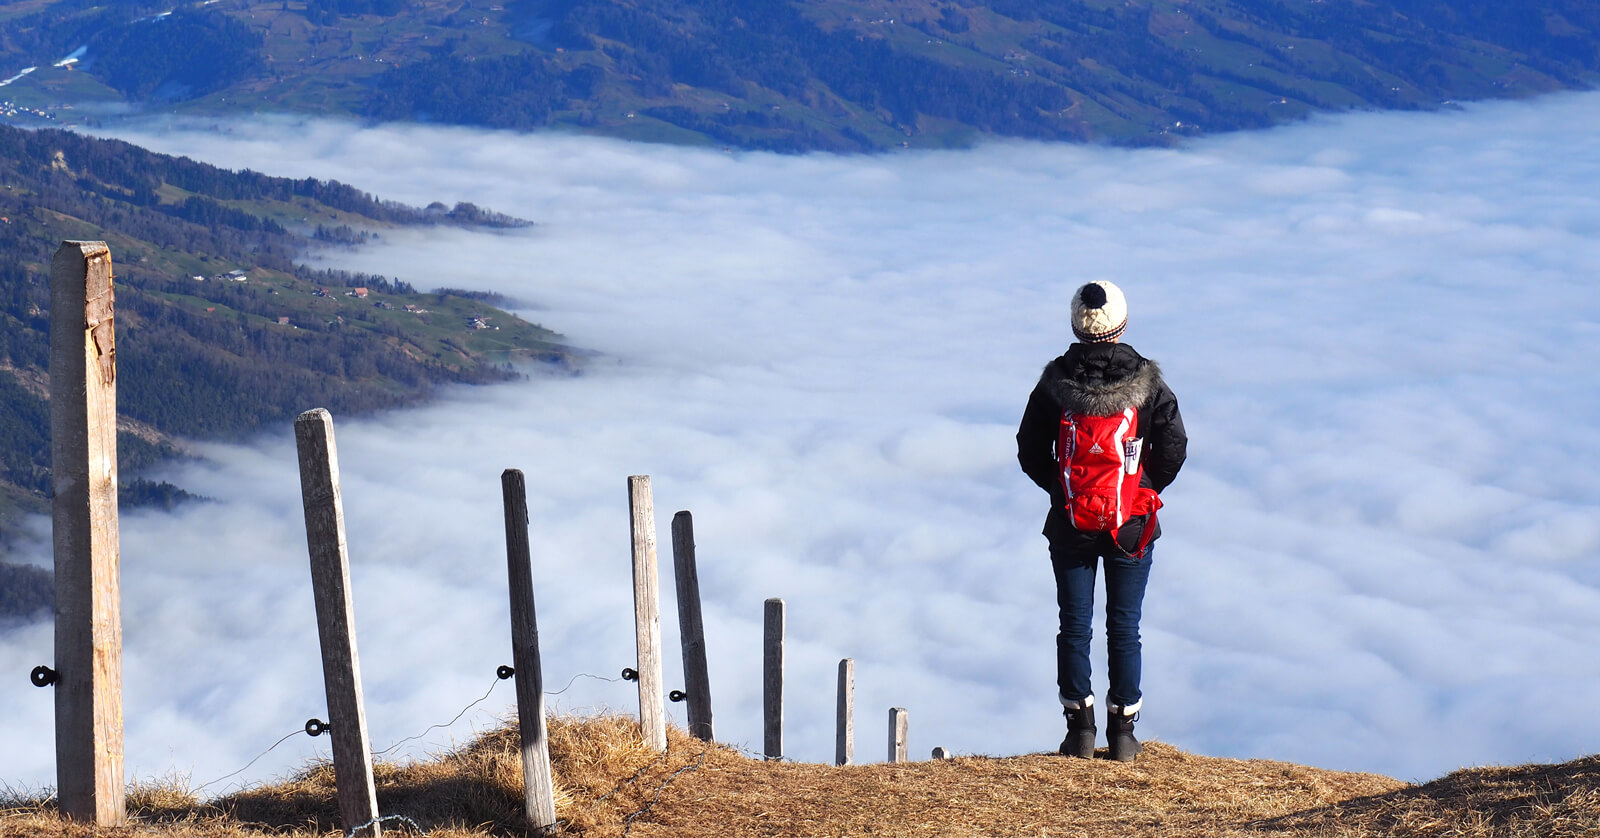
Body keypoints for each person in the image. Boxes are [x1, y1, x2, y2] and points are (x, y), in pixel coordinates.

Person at [1015, 280, 1186, 761]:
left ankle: (1080, 731)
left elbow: (1029, 450)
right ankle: (1125, 733)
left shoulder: (1053, 384)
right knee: (1124, 627)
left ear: (1076, 324)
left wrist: (1063, 491)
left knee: (1074, 626)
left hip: (1070, 525)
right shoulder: (1150, 384)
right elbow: (1174, 448)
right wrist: (1142, 490)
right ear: (1122, 324)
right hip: (1130, 525)